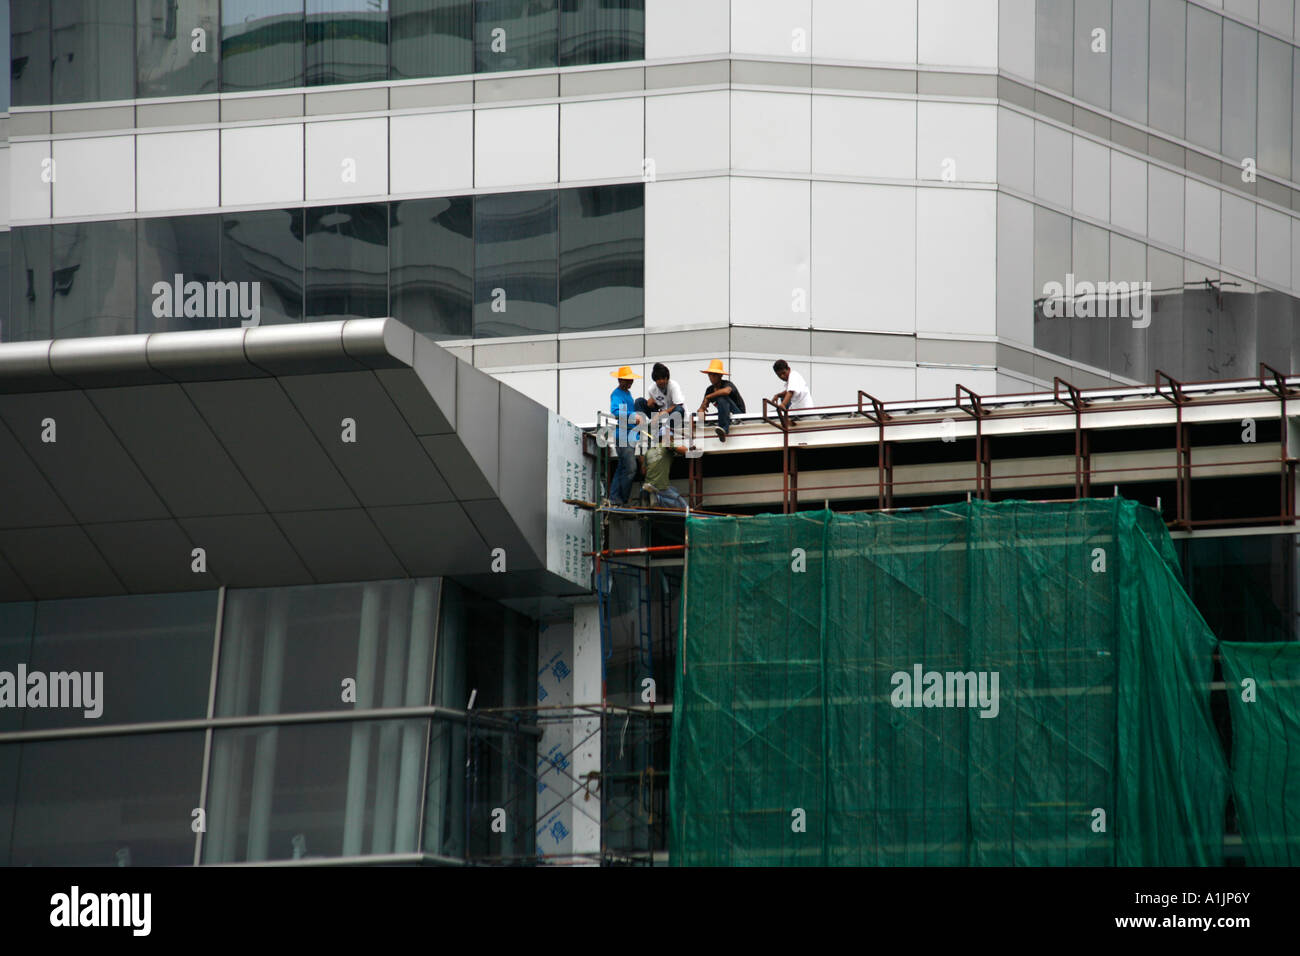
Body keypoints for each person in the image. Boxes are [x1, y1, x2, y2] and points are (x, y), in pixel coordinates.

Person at [607, 365, 642, 505]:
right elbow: (615, 412)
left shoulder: (627, 394)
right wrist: (633, 416)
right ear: (620, 380)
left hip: (629, 434)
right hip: (623, 434)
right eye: (627, 380)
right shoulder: (616, 394)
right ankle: (621, 499)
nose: (630, 382)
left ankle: (615, 498)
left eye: (631, 380)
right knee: (630, 468)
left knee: (623, 467)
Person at [635, 362, 686, 443]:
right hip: (660, 416)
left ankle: (666, 430)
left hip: (673, 416)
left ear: (667, 378)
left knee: (679, 410)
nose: (661, 381)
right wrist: (651, 405)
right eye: (658, 379)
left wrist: (664, 412)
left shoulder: (673, 385)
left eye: (663, 378)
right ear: (655, 380)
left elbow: (678, 404)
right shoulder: (652, 389)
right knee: (639, 401)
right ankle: (643, 427)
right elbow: (658, 406)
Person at [696, 359, 745, 442]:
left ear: (720, 376)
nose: (711, 377)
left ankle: (724, 429)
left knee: (721, 398)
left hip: (738, 415)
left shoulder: (727, 384)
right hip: (724, 415)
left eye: (714, 375)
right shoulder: (709, 390)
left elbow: (727, 391)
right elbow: (702, 407)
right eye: (710, 375)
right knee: (694, 415)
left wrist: (708, 397)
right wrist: (701, 411)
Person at [641, 442, 688, 510]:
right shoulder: (668, 444)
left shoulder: (649, 451)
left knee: (673, 489)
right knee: (683, 506)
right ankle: (658, 499)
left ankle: (656, 498)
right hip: (660, 486)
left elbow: (643, 472)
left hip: (647, 485)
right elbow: (685, 451)